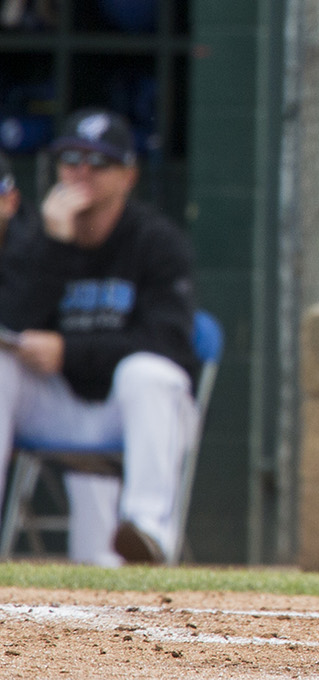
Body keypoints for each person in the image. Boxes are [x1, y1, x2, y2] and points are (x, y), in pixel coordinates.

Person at [0, 109, 200, 565]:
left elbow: (170, 344)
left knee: (148, 373)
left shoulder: (156, 242)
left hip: (131, 411)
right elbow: (11, 322)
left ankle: (147, 531)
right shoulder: (39, 238)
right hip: (58, 406)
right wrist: (55, 243)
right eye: (71, 159)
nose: (82, 172)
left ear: (128, 175)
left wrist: (71, 351)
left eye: (100, 162)